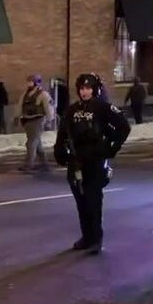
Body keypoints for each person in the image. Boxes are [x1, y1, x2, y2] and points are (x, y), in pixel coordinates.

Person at [54, 74, 131, 254]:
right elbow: (63, 132)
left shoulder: (103, 108)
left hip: (95, 161)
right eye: (82, 88)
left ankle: (96, 238)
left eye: (88, 88)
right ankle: (86, 236)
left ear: (95, 89)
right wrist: (59, 149)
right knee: (81, 201)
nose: (85, 92)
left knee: (93, 201)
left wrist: (111, 149)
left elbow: (123, 127)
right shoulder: (72, 110)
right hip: (76, 161)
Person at [17, 75, 54, 172]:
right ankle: (44, 164)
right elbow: (20, 106)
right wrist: (17, 117)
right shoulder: (25, 94)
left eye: (30, 82)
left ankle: (29, 165)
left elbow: (48, 107)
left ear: (36, 83)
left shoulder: (43, 94)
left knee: (31, 143)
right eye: (28, 82)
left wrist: (49, 120)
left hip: (38, 120)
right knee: (37, 144)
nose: (28, 84)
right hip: (27, 120)